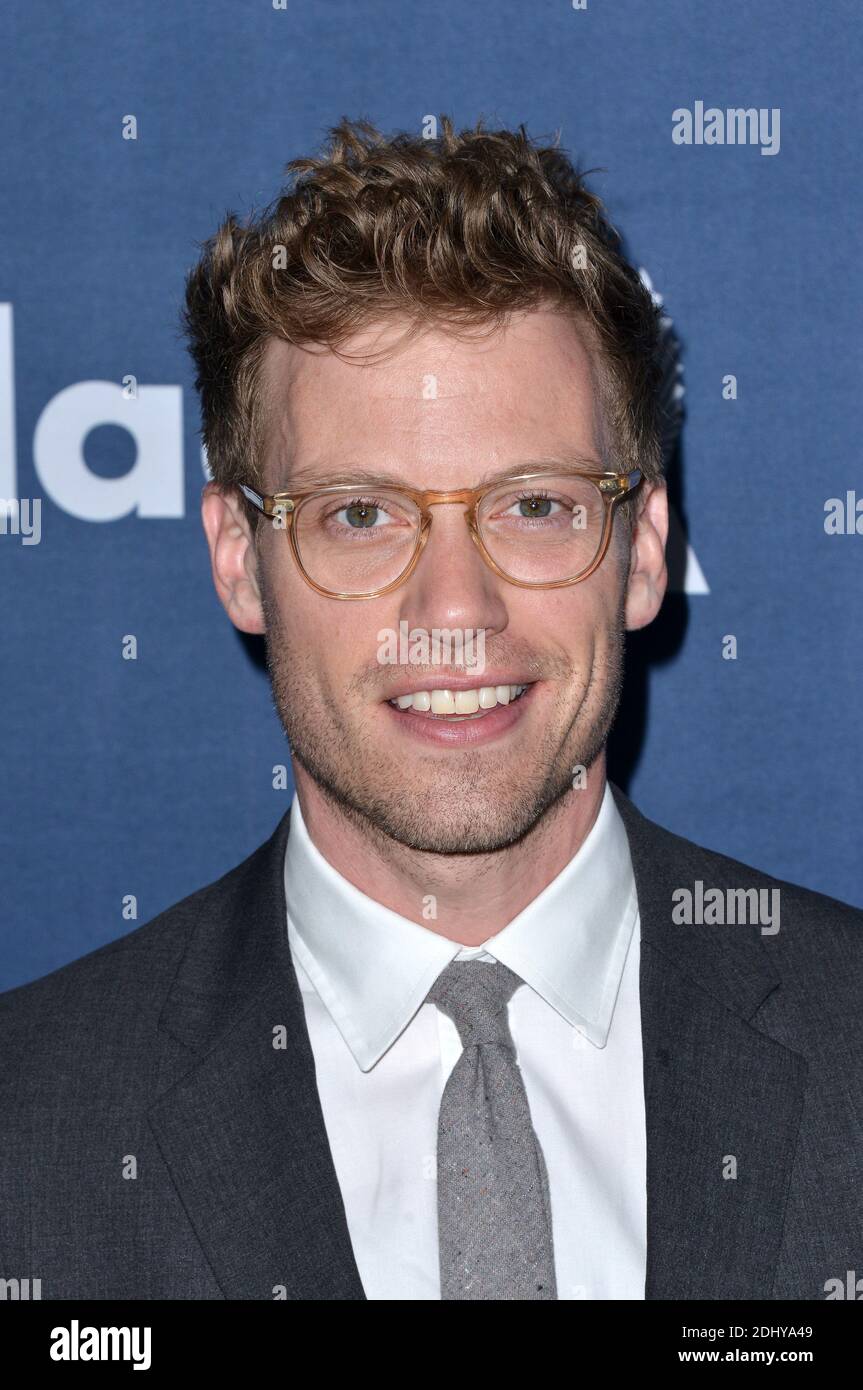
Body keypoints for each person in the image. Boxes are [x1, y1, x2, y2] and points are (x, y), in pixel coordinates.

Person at [2, 117, 861, 1302]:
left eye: (535, 506)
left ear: (644, 548)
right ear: (240, 561)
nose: (453, 610)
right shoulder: (27, 1134)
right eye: (359, 514)